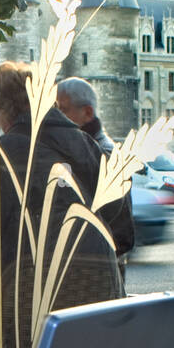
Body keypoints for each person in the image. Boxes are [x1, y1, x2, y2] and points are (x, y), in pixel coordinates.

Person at [0, 64, 122, 348]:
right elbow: (122, 233)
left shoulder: (0, 157)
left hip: (26, 311)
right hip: (97, 306)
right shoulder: (88, 145)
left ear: (2, 111)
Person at [55, 76, 136, 263]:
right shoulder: (81, 150)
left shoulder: (102, 155)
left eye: (63, 110)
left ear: (88, 112)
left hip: (99, 265)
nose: (57, 117)